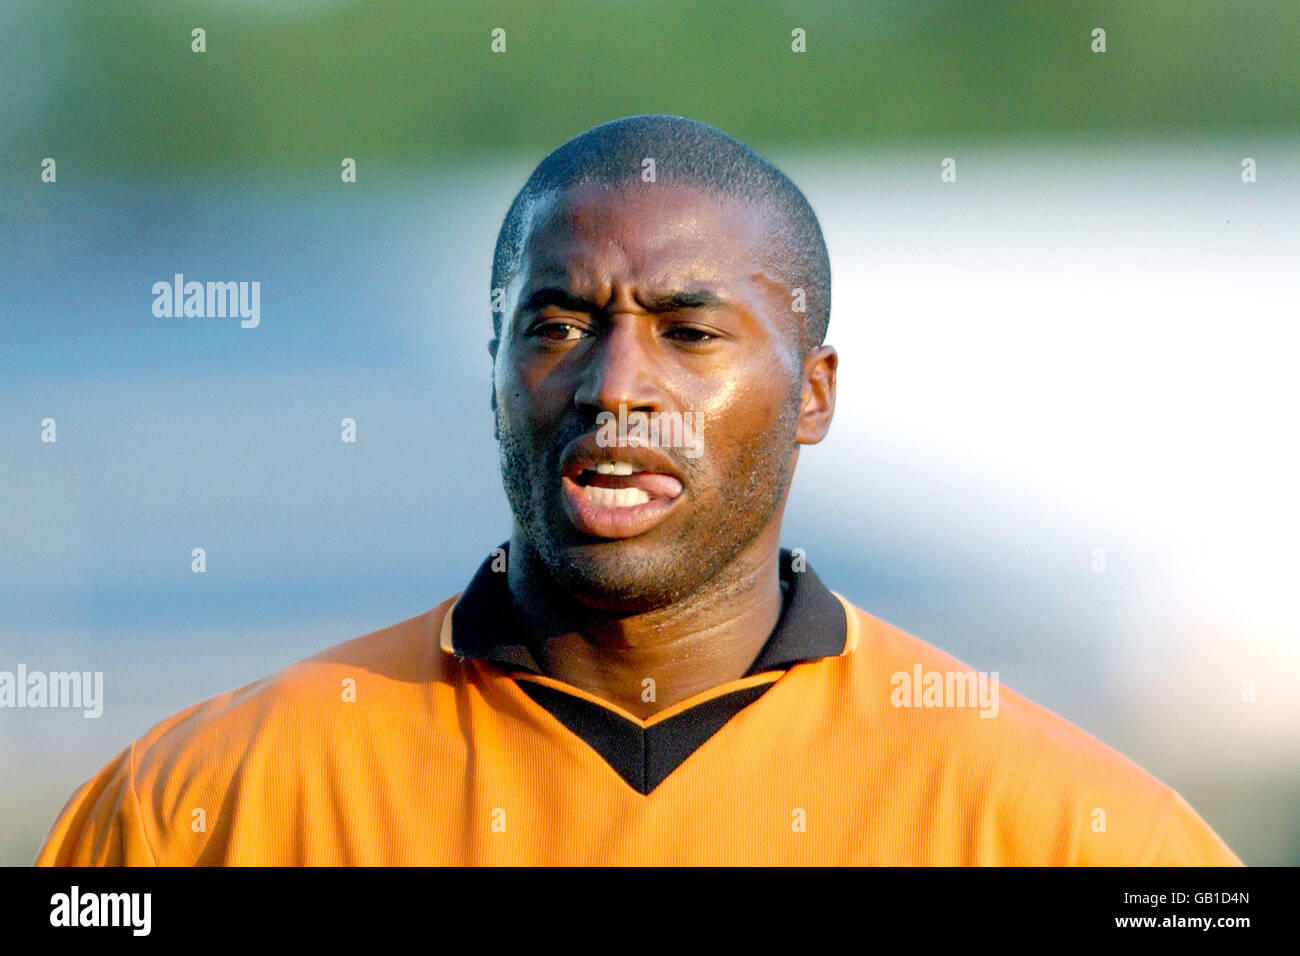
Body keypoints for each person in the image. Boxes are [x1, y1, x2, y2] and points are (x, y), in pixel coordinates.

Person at [36, 115, 1241, 865]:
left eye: (690, 329)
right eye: (558, 324)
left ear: (814, 393)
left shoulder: (1079, 835)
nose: (615, 385)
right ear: (497, 371)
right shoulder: (202, 805)